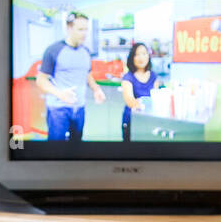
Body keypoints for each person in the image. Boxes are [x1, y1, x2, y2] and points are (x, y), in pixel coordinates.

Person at [36, 11, 106, 142]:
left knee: (76, 147)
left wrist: (96, 89)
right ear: (69, 28)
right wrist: (60, 94)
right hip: (58, 109)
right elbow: (41, 80)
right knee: (56, 150)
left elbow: (87, 75)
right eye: (80, 29)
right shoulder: (53, 50)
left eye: (86, 29)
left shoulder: (86, 51)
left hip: (79, 108)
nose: (84, 33)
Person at [120, 41, 164, 142]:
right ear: (132, 58)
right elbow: (130, 101)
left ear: (148, 56)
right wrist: (145, 104)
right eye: (137, 54)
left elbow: (156, 98)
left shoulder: (153, 76)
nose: (141, 58)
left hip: (149, 121)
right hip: (131, 120)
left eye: (144, 54)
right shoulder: (128, 78)